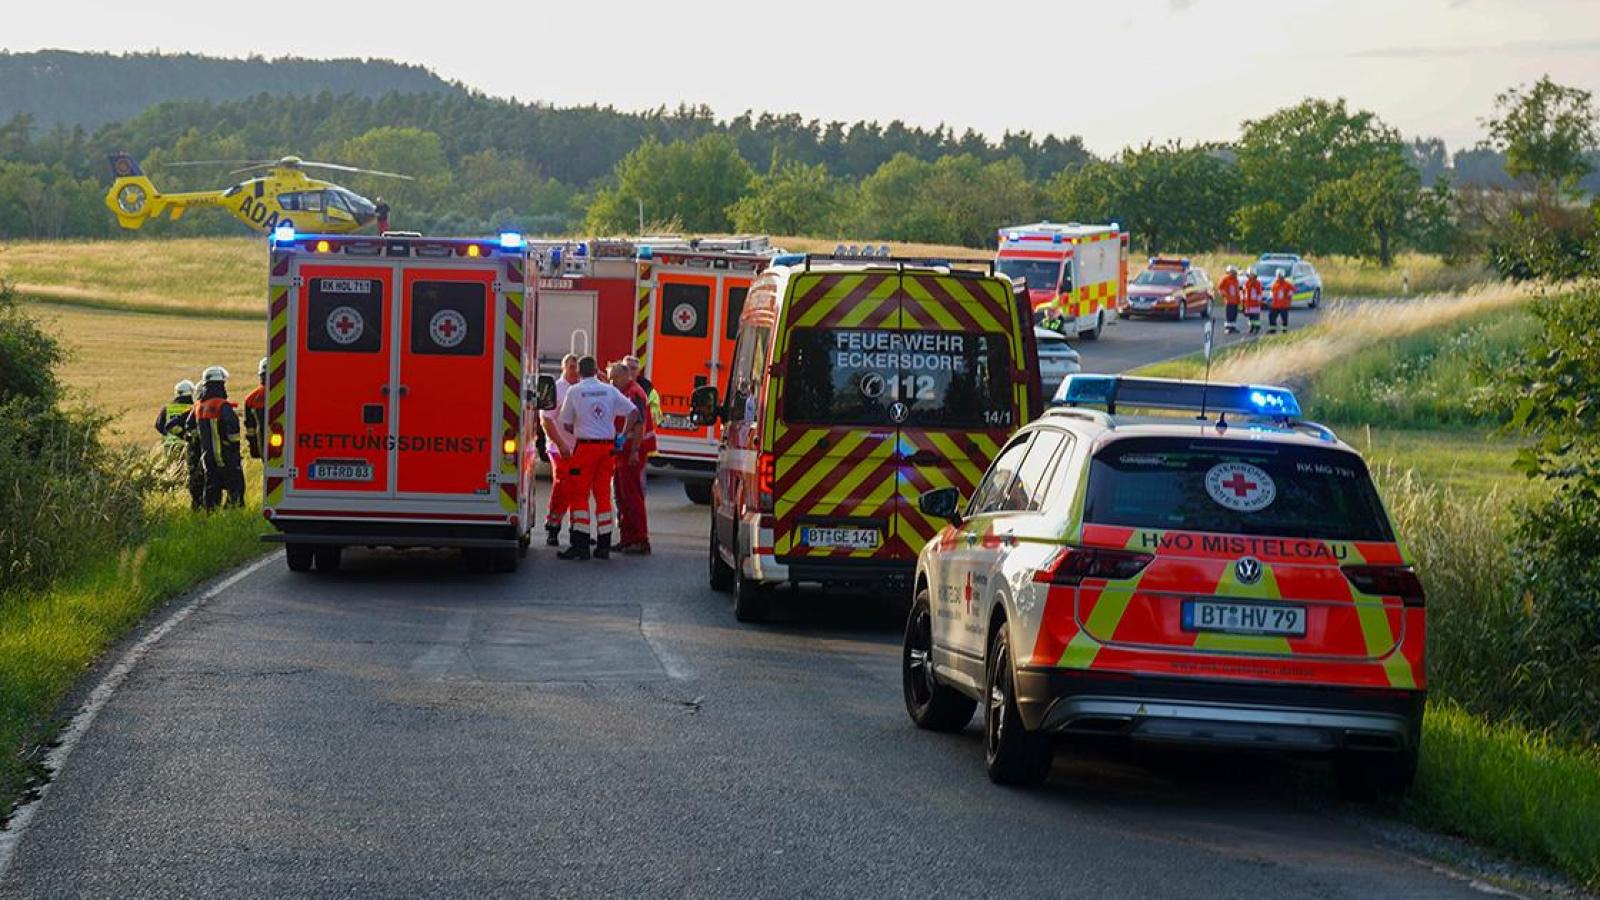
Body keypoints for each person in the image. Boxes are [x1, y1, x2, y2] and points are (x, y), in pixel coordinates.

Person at [554, 356, 639, 560]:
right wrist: (623, 435)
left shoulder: (575, 391)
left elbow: (565, 423)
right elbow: (633, 412)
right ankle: (603, 546)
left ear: (580, 372)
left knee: (579, 494)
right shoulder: (609, 390)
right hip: (607, 449)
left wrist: (580, 427)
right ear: (596, 370)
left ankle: (581, 545)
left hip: (585, 448)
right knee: (602, 495)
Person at [609, 361, 656, 555]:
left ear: (624, 376)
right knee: (622, 495)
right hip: (625, 450)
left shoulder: (635, 392)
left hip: (632, 451)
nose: (611, 383)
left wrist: (635, 450)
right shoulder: (627, 391)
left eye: (614, 378)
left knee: (632, 496)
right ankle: (627, 538)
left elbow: (639, 423)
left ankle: (640, 539)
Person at [540, 354, 582, 546]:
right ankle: (553, 527)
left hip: (580, 448)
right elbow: (546, 420)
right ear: (564, 368)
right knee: (562, 487)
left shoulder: (583, 388)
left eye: (578, 367)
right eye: (572, 367)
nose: (575, 371)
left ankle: (578, 530)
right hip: (560, 448)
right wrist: (562, 445)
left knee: (579, 491)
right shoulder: (556, 389)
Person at [193, 366, 245, 509]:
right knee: (236, 487)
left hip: (207, 457)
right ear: (220, 384)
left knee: (211, 488)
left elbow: (190, 429)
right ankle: (233, 513)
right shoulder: (222, 405)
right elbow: (232, 428)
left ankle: (210, 514)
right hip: (226, 455)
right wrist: (234, 447)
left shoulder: (198, 406)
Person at [156, 379, 204, 509]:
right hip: (189, 446)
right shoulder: (193, 408)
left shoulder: (167, 408)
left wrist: (169, 436)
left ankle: (172, 494)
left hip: (170, 447)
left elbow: (159, 425)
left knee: (172, 472)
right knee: (189, 473)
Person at [623, 356, 660, 457]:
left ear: (638, 371)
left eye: (633, 368)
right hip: (626, 444)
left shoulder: (640, 391)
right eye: (627, 368)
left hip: (637, 443)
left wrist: (635, 450)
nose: (630, 371)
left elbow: (642, 421)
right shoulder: (620, 387)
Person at [243, 357, 267, 460]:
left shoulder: (251, 398)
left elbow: (250, 428)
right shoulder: (293, 394)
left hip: (262, 445)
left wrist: (254, 449)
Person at [1217, 265, 1242, 334]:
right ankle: (1228, 328)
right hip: (1229, 301)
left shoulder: (1236, 280)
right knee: (1229, 315)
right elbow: (1220, 288)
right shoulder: (1225, 279)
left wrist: (1239, 300)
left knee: (1234, 315)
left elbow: (1237, 291)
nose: (1235, 274)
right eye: (1233, 272)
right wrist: (1224, 294)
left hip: (1235, 301)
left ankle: (1233, 328)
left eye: (1235, 272)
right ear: (1230, 272)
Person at [1268, 268, 1294, 334]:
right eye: (1278, 276)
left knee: (1284, 318)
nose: (1279, 277)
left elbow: (1292, 291)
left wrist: (1289, 298)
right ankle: (1272, 330)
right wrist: (1270, 300)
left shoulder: (1287, 284)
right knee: (1271, 317)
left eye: (1280, 276)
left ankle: (1284, 330)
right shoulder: (1274, 284)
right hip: (1275, 305)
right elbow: (1271, 293)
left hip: (1283, 305)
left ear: (1283, 276)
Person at [1242, 268, 1264, 335]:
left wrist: (1259, 301)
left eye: (1251, 275)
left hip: (1255, 304)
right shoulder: (1246, 283)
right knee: (1250, 317)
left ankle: (1257, 327)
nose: (1250, 276)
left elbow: (1259, 293)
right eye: (1249, 275)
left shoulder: (1257, 283)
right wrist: (1243, 301)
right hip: (1248, 304)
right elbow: (1244, 293)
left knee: (1255, 317)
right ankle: (1252, 327)